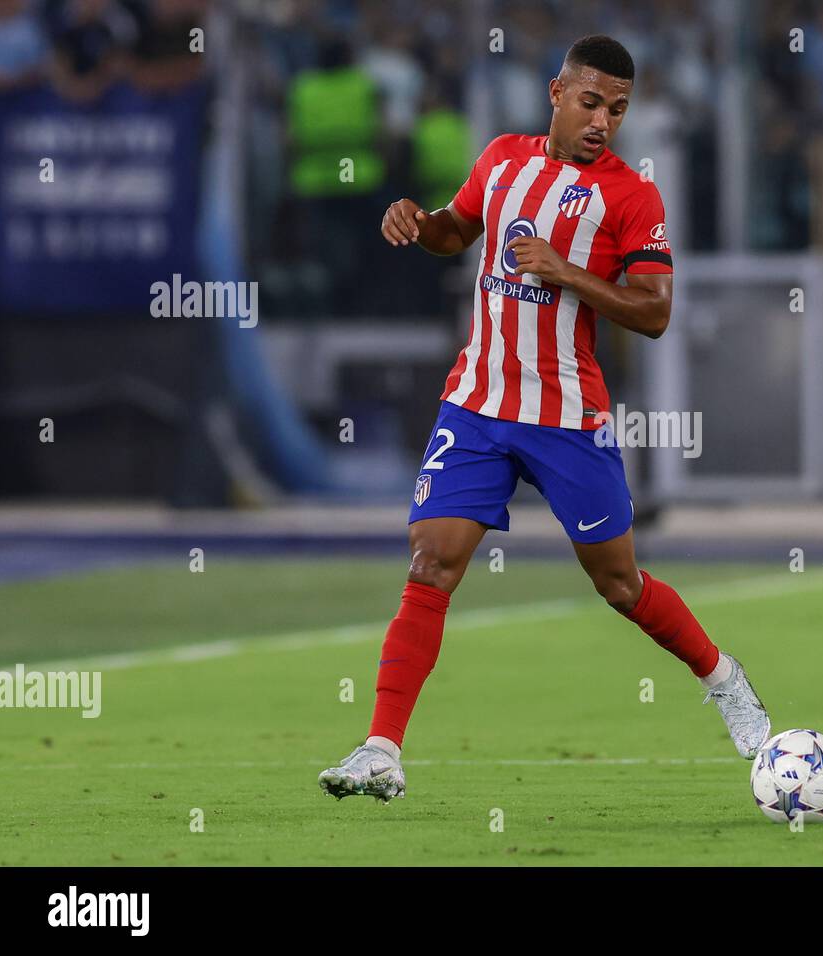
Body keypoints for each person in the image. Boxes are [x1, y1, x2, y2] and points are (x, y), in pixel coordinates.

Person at [319, 35, 769, 803]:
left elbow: (656, 313)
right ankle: (382, 748)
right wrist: (417, 222)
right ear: (555, 94)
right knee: (431, 563)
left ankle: (724, 679)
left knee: (620, 584)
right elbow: (458, 231)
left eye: (618, 109)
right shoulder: (500, 159)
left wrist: (569, 273)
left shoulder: (632, 196)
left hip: (567, 413)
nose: (604, 121)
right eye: (591, 102)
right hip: (480, 402)